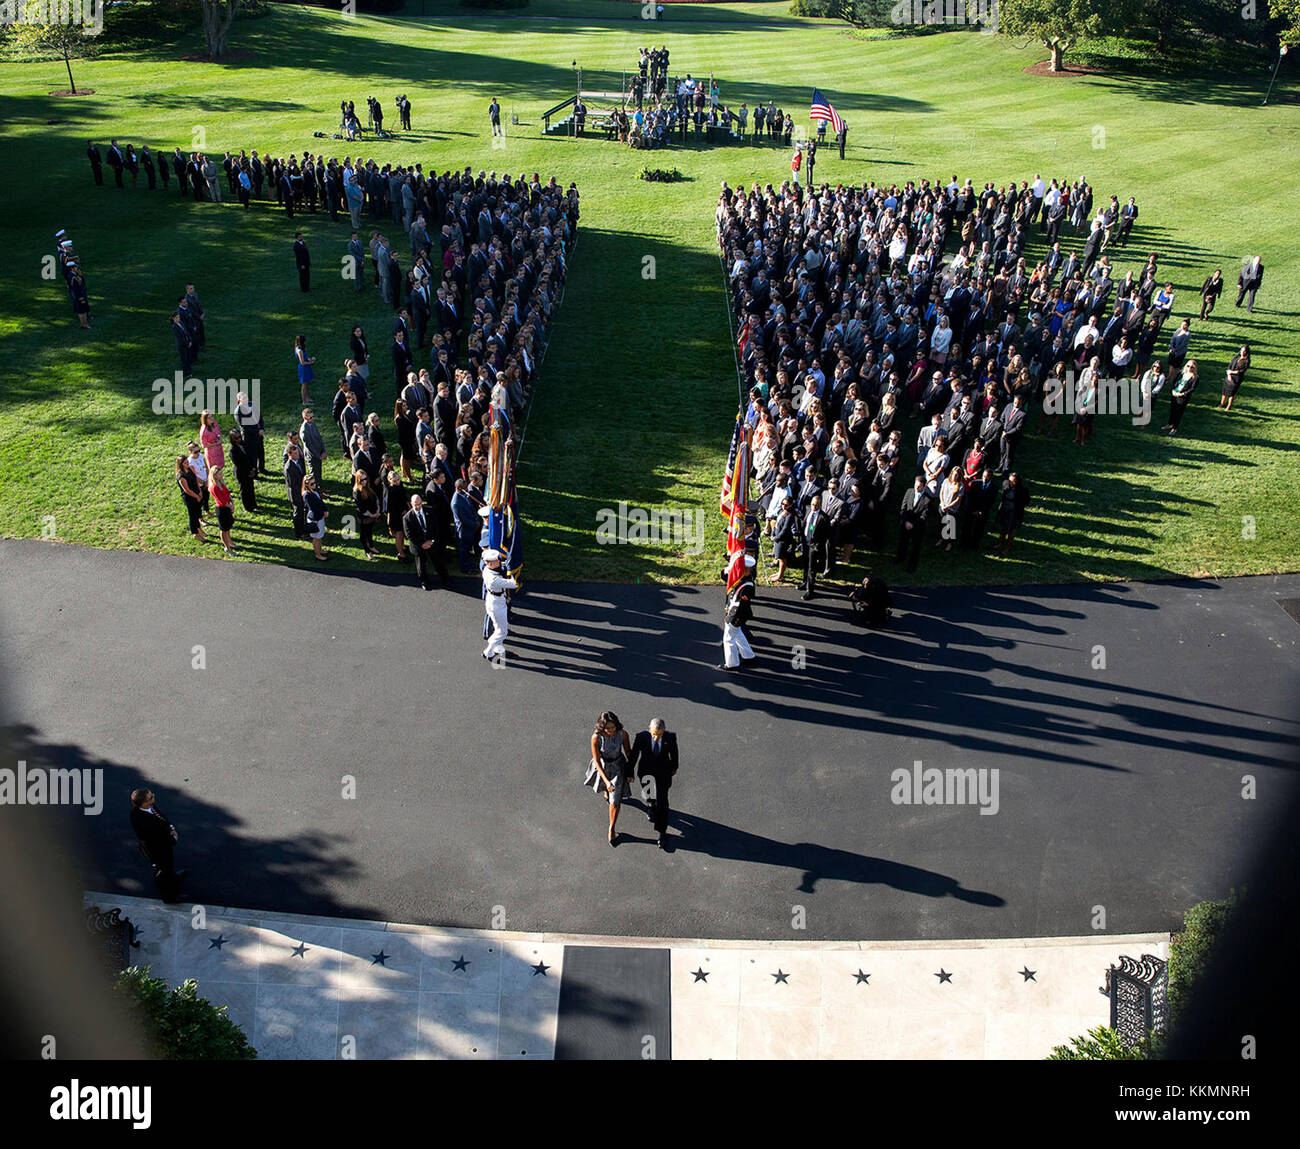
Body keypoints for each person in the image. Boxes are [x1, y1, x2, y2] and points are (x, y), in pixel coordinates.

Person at [130, 788, 188, 903]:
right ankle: (169, 898)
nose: (154, 797)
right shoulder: (141, 820)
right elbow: (157, 839)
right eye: (151, 797)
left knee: (168, 866)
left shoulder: (150, 807)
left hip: (164, 845)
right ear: (144, 803)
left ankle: (173, 877)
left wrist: (170, 827)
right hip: (157, 850)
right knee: (162, 871)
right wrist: (173, 838)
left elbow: (161, 817)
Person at [628, 717, 678, 850]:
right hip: (646, 771)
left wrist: (674, 768)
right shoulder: (641, 737)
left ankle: (662, 833)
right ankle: (650, 805)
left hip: (663, 773)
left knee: (663, 803)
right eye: (654, 734)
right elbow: (634, 754)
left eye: (660, 734)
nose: (656, 738)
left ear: (664, 730)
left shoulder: (670, 737)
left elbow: (674, 754)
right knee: (649, 792)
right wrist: (630, 771)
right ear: (649, 728)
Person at [589, 712, 633, 848]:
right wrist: (606, 781)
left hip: (618, 767)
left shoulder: (623, 734)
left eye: (613, 727)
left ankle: (612, 827)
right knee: (606, 789)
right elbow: (596, 761)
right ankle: (606, 791)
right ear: (602, 727)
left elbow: (628, 752)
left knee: (615, 801)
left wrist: (630, 771)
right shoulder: (596, 738)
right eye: (608, 728)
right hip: (603, 766)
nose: (611, 731)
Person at [482, 547, 517, 661]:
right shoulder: (493, 578)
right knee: (502, 631)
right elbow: (513, 584)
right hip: (496, 603)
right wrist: (513, 571)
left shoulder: (487, 569)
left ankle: (497, 647)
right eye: (496, 561)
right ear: (489, 563)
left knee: (499, 627)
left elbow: (502, 565)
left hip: (495, 599)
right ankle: (489, 651)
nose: (499, 562)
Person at [721, 567, 756, 671]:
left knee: (728, 638)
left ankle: (732, 664)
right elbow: (724, 576)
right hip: (735, 614)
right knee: (738, 633)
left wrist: (730, 617)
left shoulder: (747, 586)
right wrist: (727, 568)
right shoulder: (739, 578)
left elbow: (740, 605)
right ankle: (748, 655)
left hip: (737, 615)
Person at [896, 474, 930, 573]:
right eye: (915, 485)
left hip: (918, 527)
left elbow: (924, 515)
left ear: (924, 486)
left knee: (915, 546)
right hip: (905, 523)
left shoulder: (927, 499)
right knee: (903, 542)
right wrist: (905, 521)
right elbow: (903, 507)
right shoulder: (909, 492)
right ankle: (900, 557)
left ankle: (912, 564)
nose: (916, 488)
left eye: (919, 486)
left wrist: (913, 524)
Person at [800, 492, 828, 600]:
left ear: (820, 505)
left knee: (812, 568)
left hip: (814, 545)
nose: (814, 507)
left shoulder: (823, 518)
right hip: (805, 542)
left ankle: (810, 590)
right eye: (812, 504)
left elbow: (825, 535)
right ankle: (804, 582)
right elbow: (809, 525)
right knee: (805, 564)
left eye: (816, 505)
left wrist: (817, 546)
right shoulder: (807, 510)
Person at [995, 472, 1029, 554]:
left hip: (1015, 513)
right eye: (1010, 481)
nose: (1012, 483)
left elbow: (1026, 501)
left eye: (1014, 481)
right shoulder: (1006, 485)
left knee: (1012, 531)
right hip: (1005, 509)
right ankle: (1000, 543)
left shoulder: (1023, 490)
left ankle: (1008, 547)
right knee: (1003, 529)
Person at [175, 455, 207, 543]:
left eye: (187, 462)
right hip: (190, 498)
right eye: (185, 463)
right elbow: (187, 490)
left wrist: (199, 491)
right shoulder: (181, 476)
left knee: (197, 513)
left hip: (196, 493)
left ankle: (199, 529)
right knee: (192, 515)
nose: (187, 464)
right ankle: (196, 534)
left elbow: (196, 479)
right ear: (180, 464)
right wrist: (196, 496)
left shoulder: (189, 469)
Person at [1163, 360, 1198, 435]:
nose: (1189, 368)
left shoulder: (1195, 377)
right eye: (1188, 366)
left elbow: (1192, 388)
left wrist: (1183, 394)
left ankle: (1174, 428)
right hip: (1175, 393)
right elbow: (1174, 382)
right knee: (1172, 410)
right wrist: (1173, 390)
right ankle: (1169, 424)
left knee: (1178, 412)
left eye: (1192, 367)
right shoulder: (1181, 373)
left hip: (1183, 397)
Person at [353, 470, 381, 560]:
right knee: (363, 534)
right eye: (362, 480)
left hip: (373, 513)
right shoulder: (357, 492)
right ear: (358, 480)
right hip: (365, 516)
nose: (364, 481)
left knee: (370, 531)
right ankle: (367, 551)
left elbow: (375, 498)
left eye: (365, 479)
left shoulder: (369, 486)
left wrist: (378, 509)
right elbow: (361, 507)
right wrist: (372, 515)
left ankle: (371, 546)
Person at [209, 467, 237, 556]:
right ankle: (227, 548)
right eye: (219, 474)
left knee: (228, 527)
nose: (221, 475)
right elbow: (221, 501)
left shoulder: (221, 483)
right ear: (215, 475)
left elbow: (227, 494)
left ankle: (230, 542)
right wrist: (230, 506)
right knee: (223, 529)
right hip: (221, 510)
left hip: (227, 507)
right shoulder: (214, 487)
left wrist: (232, 502)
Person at [228, 427, 257, 512]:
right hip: (242, 472)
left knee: (251, 488)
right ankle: (248, 506)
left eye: (239, 437)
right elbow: (239, 464)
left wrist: (253, 468)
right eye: (236, 438)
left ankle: (253, 504)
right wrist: (249, 471)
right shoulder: (233, 450)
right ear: (232, 439)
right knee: (245, 490)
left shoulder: (244, 444)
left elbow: (251, 455)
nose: (239, 439)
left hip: (250, 470)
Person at [302, 473, 328, 560]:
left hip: (320, 516)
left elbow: (321, 502)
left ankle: (319, 550)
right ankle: (317, 554)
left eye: (314, 483)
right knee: (316, 538)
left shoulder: (314, 491)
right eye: (311, 484)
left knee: (319, 536)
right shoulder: (307, 495)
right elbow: (313, 508)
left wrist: (325, 510)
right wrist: (323, 513)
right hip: (315, 518)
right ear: (306, 485)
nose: (314, 485)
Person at [1220, 344, 1250, 412]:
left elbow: (1241, 371)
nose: (1242, 352)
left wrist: (1231, 373)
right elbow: (1229, 366)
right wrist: (1229, 374)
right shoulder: (1236, 358)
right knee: (1224, 391)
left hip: (1236, 378)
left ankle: (1228, 406)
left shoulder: (1246, 361)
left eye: (1244, 351)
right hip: (1229, 376)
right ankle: (1222, 403)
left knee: (1231, 393)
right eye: (1241, 350)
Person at [295, 333, 315, 405]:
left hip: (306, 367)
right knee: (304, 385)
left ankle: (307, 397)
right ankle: (304, 401)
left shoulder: (301, 349)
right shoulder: (299, 351)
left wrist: (310, 359)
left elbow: (305, 358)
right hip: (303, 368)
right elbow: (302, 362)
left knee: (307, 384)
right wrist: (311, 362)